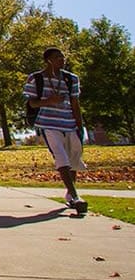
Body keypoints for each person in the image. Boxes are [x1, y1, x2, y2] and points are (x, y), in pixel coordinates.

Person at [24, 47, 87, 215]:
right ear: (48, 60)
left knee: (73, 158)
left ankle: (69, 193)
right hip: (48, 123)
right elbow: (31, 103)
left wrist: (80, 126)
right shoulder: (36, 78)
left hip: (70, 123)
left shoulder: (71, 79)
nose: (62, 59)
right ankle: (75, 196)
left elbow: (75, 103)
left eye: (63, 57)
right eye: (58, 57)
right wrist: (48, 101)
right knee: (61, 156)